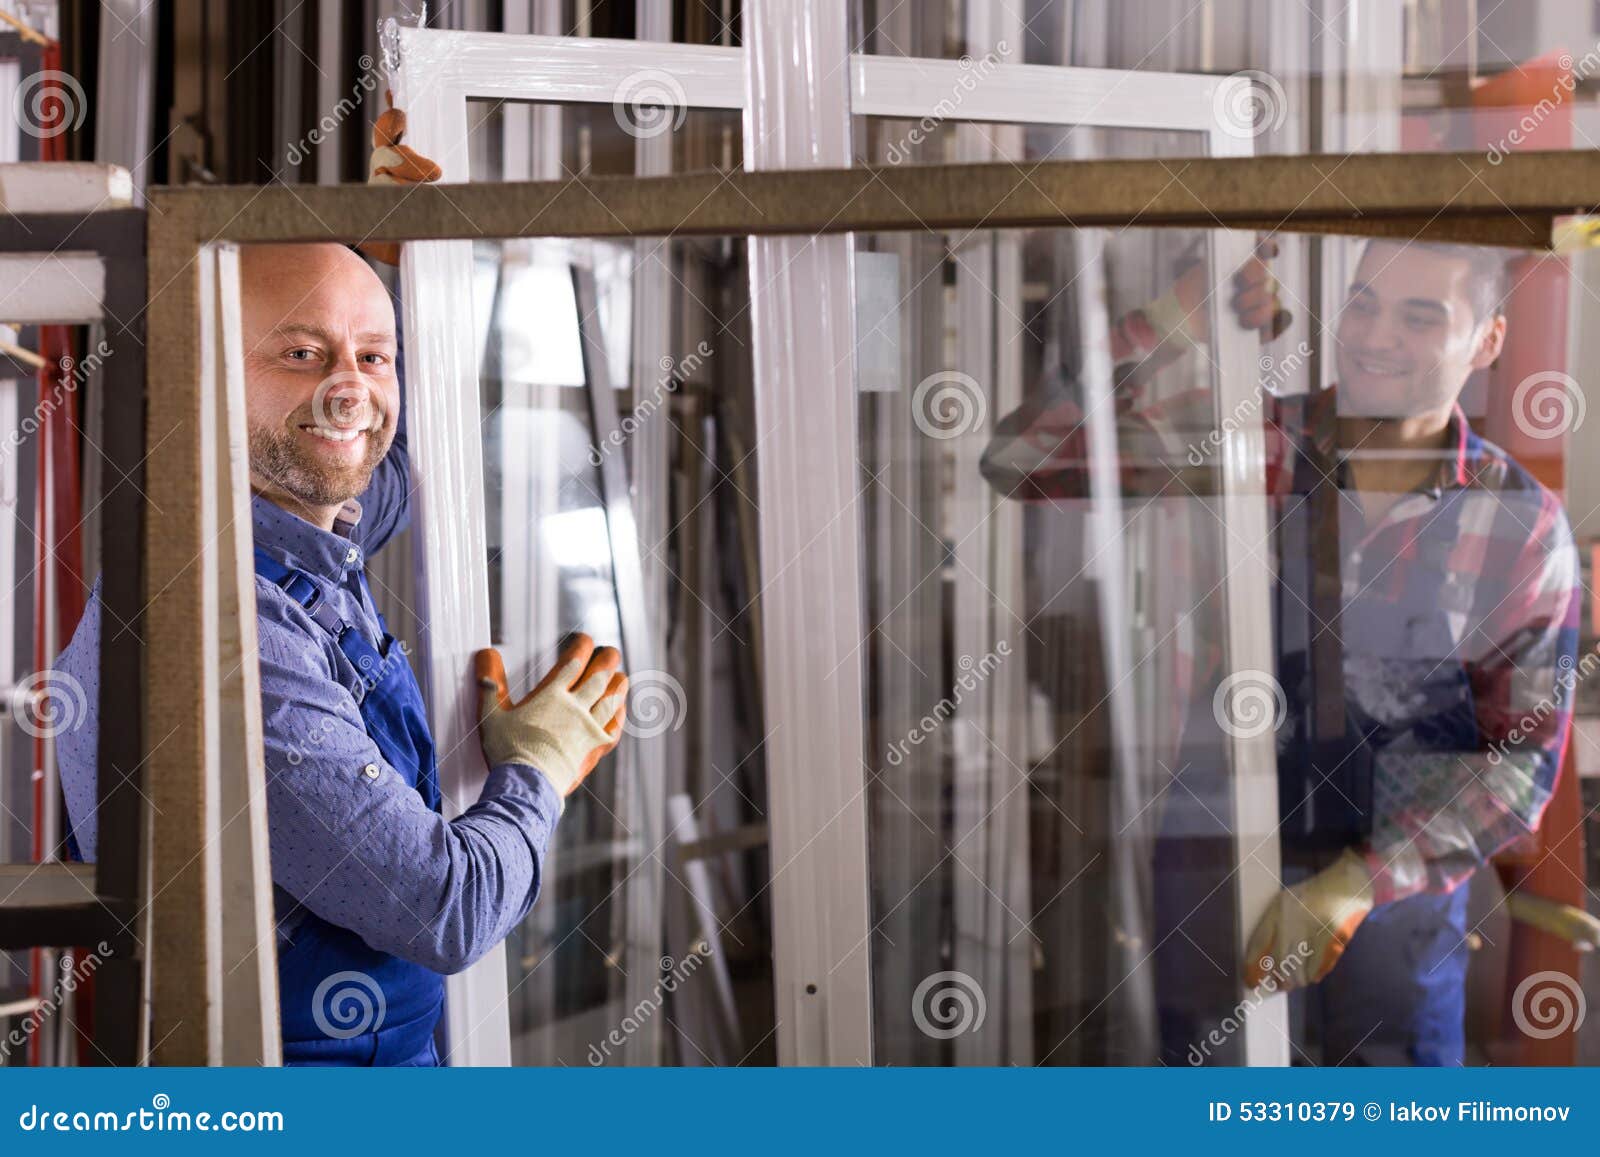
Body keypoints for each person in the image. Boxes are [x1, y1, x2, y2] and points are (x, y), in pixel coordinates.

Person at [980, 236, 1580, 1065]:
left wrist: (1356, 883)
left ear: (1488, 342)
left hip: (1394, 912)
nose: (1374, 336)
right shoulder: (1248, 447)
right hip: (1218, 854)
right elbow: (1021, 460)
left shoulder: (1521, 525)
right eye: (1364, 302)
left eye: (1419, 317)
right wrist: (1170, 322)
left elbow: (1518, 770)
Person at [53, 240, 630, 1066]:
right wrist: (539, 766)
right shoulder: (225, 627)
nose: (347, 388)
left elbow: (377, 450)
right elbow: (446, 906)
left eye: (373, 356)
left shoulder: (292, 530)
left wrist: (401, 257)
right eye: (300, 353)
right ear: (203, 375)